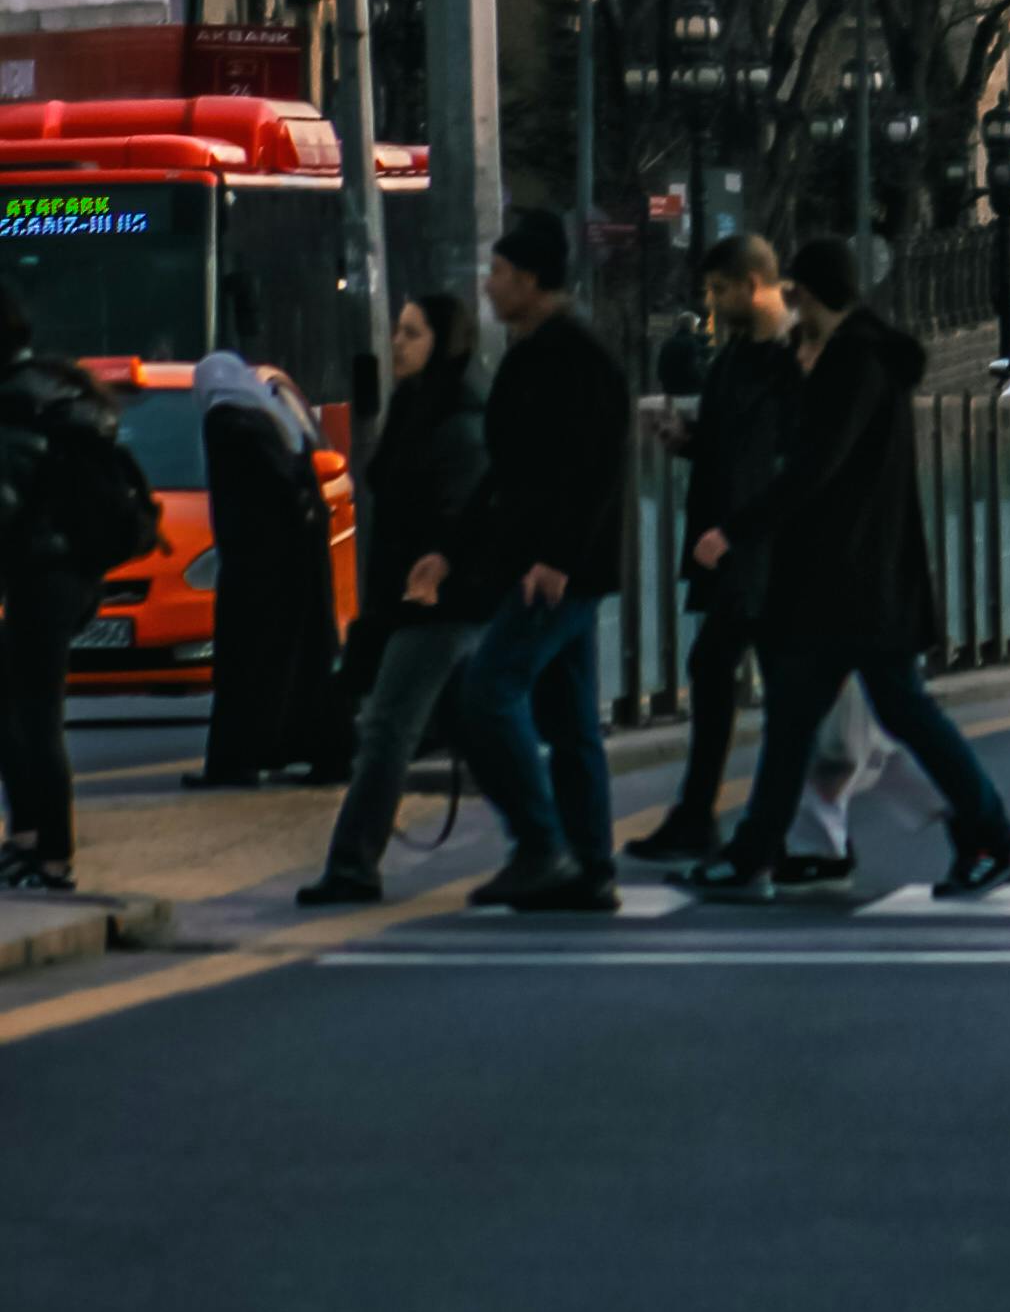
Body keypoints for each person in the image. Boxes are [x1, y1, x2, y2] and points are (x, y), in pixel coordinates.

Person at [686, 235, 1010, 901]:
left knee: (873, 715)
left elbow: (816, 468)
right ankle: (759, 851)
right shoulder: (867, 358)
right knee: (817, 717)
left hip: (851, 582)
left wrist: (735, 530)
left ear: (807, 295)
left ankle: (994, 834)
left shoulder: (852, 363)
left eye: (797, 298)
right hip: (855, 580)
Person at [421, 208, 633, 914]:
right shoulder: (531, 353)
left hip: (558, 570)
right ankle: (590, 864)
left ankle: (541, 845)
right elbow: (507, 471)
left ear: (533, 280)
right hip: (551, 564)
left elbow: (595, 470)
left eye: (501, 274)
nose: (488, 286)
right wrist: (453, 552)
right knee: (569, 721)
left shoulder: (576, 359)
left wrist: (556, 557)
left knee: (486, 693)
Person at [295, 295, 487, 909]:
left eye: (411, 332)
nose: (397, 343)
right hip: (402, 599)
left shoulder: (456, 418)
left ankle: (353, 864)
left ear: (443, 341)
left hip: (432, 603)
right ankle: (552, 842)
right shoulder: (414, 406)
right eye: (397, 331)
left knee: (386, 731)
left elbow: (461, 511)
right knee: (486, 735)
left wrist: (439, 565)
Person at [625, 232, 800, 874]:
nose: (712, 302)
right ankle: (716, 820)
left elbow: (792, 463)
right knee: (726, 672)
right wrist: (683, 438)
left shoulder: (790, 358)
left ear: (753, 284)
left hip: (766, 550)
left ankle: (742, 825)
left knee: (771, 685)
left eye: (720, 289)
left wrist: (739, 529)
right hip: (733, 547)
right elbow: (730, 443)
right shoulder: (736, 357)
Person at [0, 278, 159, 896]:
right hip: (73, 572)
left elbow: (8, 494)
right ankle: (30, 842)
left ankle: (51, 855)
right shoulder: (53, 383)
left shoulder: (16, 399)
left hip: (46, 573)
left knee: (34, 715)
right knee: (20, 707)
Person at [194, 346, 352, 786]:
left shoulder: (226, 421)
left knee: (247, 664)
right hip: (299, 560)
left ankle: (237, 760)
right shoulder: (274, 415)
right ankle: (322, 753)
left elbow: (257, 491)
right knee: (307, 660)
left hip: (255, 566)